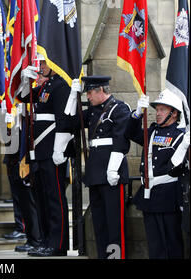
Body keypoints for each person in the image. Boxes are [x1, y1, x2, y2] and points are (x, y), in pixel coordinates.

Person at [17, 57, 77, 257]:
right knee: (41, 199)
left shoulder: (61, 86)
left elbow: (64, 120)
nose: (40, 67)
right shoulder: (46, 86)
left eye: (44, 63)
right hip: (40, 151)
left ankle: (58, 244)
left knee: (54, 198)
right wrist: (25, 80)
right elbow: (23, 97)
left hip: (52, 152)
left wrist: (59, 149)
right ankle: (45, 240)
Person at [126, 89, 188, 259]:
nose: (158, 113)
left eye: (162, 110)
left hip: (169, 195)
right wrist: (137, 114)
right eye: (157, 109)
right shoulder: (152, 131)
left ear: (174, 113)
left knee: (171, 243)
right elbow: (130, 133)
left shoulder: (181, 135)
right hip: (149, 195)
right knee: (155, 244)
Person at [80, 75, 131, 259]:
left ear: (101, 90)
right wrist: (72, 96)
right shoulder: (93, 111)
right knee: (99, 224)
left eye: (90, 92)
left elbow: (120, 139)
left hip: (111, 173)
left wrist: (113, 168)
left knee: (114, 224)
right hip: (95, 173)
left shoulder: (119, 108)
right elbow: (70, 122)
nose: (88, 97)